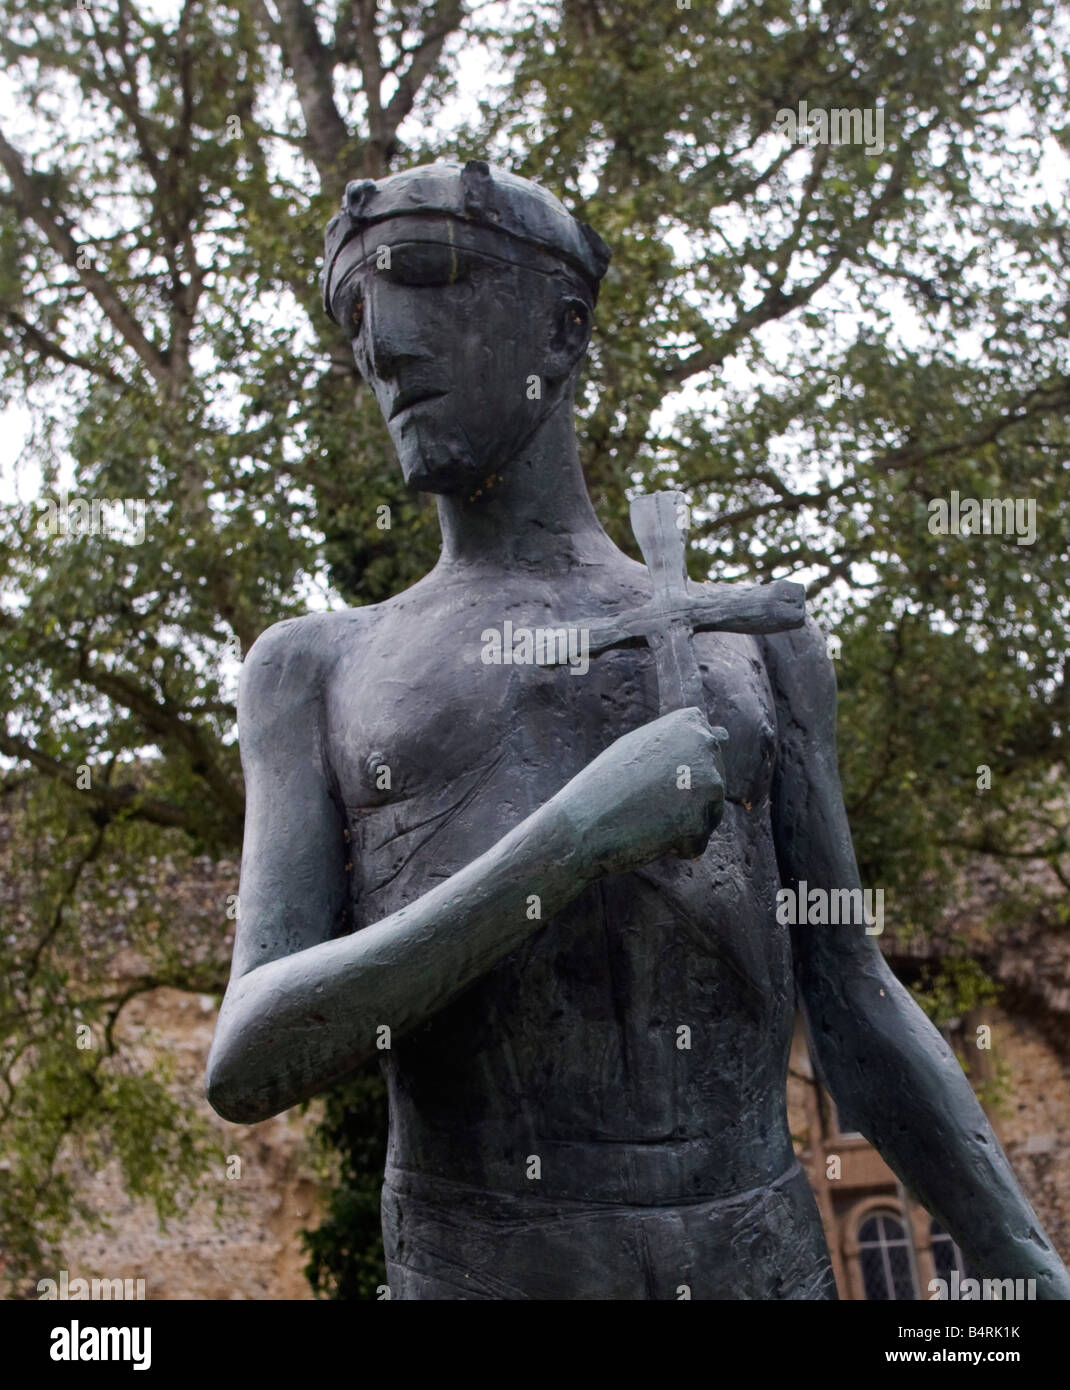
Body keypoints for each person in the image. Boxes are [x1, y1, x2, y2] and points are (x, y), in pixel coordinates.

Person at [207, 161, 1070, 1300]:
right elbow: (254, 1055)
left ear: (561, 331)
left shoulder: (748, 641)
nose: (384, 347)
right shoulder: (314, 669)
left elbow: (850, 991)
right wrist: (571, 840)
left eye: (427, 279)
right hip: (490, 1269)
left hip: (756, 1261)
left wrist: (1022, 1263)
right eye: (356, 313)